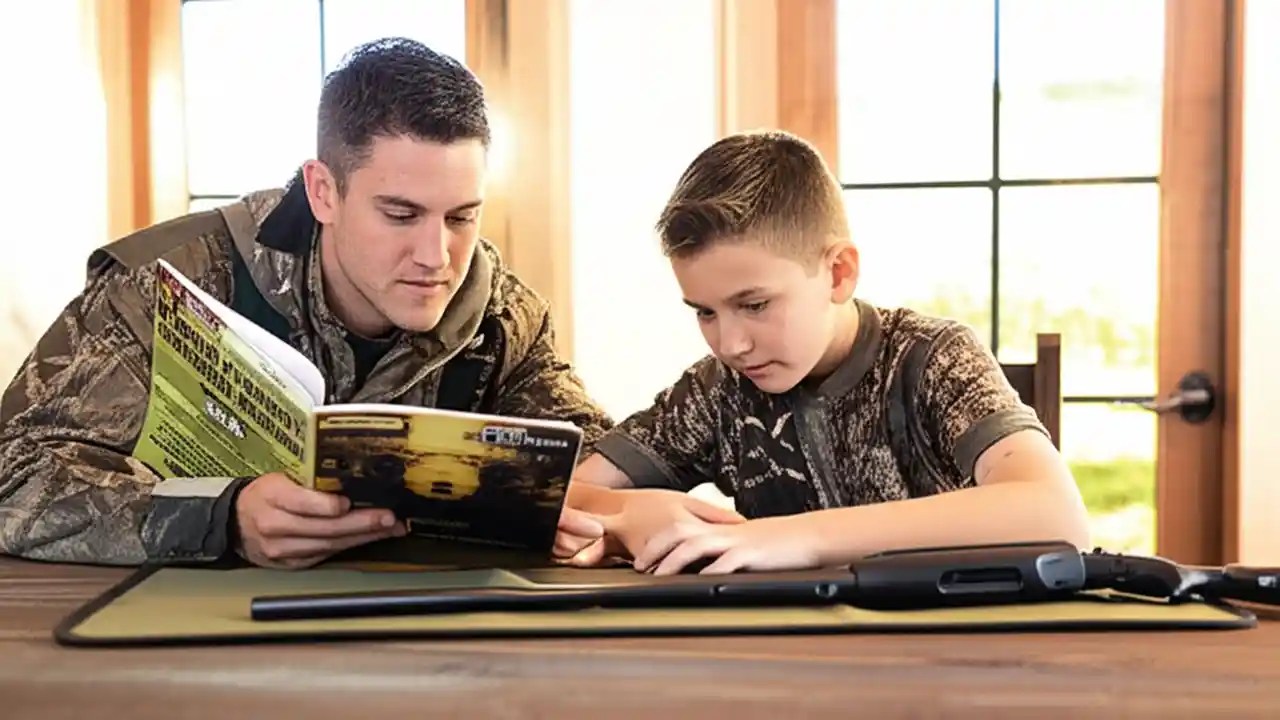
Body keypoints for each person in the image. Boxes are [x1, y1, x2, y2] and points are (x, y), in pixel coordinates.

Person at [0, 38, 612, 570]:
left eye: (462, 216)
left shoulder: (505, 317)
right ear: (323, 191)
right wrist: (224, 518)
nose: (437, 255)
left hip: (427, 650)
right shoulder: (166, 285)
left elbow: (596, 466)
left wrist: (609, 521)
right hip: (186, 645)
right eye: (400, 215)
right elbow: (14, 473)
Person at [557, 130, 1091, 575]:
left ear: (839, 273)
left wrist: (793, 539)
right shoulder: (715, 393)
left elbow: (1057, 514)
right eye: (705, 312)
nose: (731, 344)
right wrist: (632, 512)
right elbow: (556, 490)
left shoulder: (932, 358)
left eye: (756, 304)